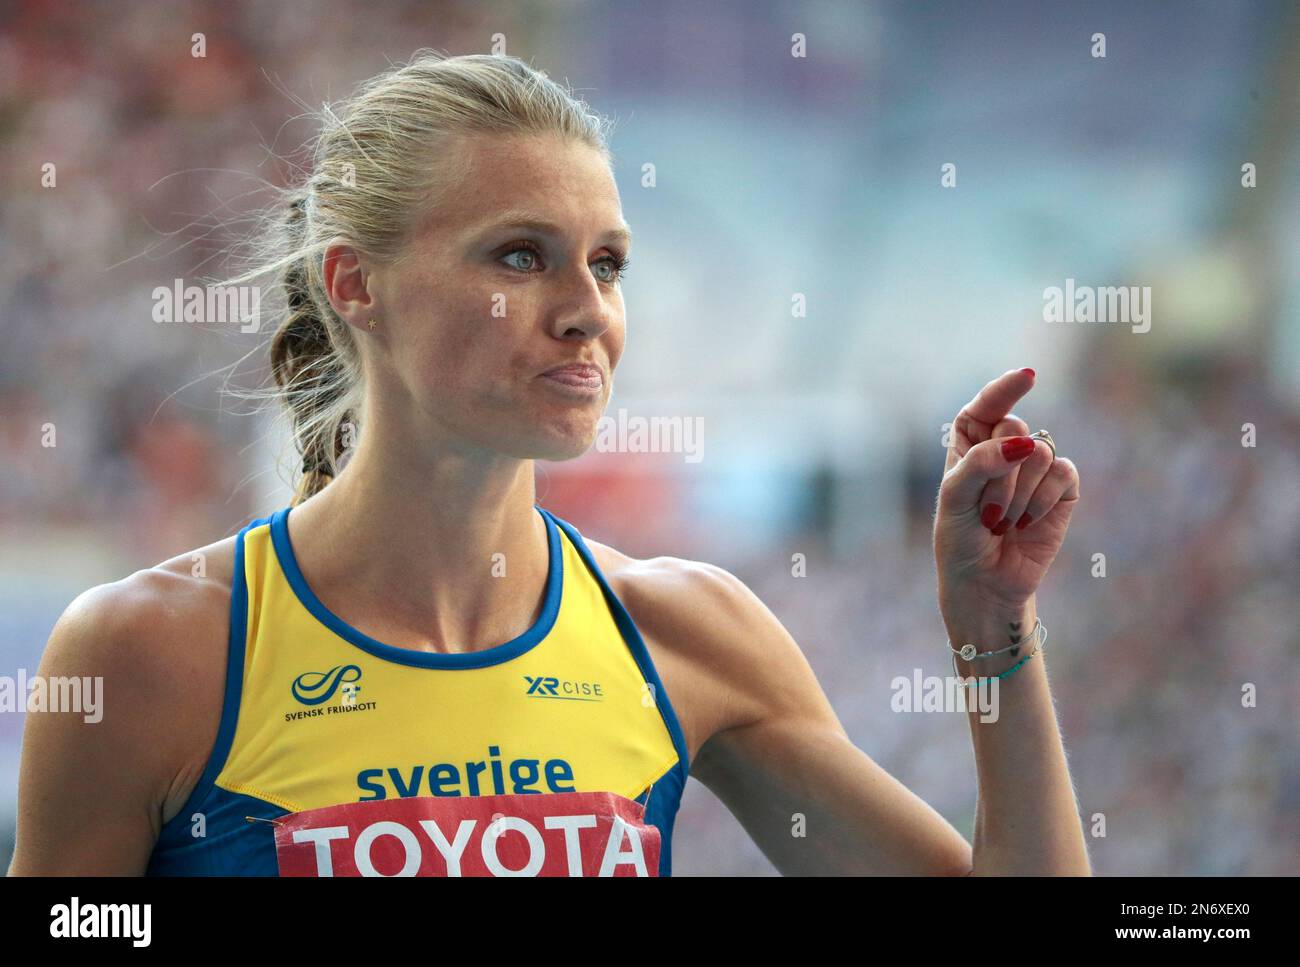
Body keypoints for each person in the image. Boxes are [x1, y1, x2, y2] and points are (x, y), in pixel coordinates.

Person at [8, 51, 1088, 876]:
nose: (587, 312)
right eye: (520, 255)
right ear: (354, 282)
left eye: (607, 264)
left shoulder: (685, 632)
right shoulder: (152, 652)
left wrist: (993, 630)